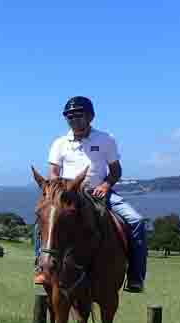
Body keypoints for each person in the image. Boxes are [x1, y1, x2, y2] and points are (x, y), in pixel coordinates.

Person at [34, 96, 146, 292]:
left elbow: (116, 170)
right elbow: (53, 172)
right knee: (41, 223)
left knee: (136, 221)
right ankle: (42, 268)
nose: (74, 120)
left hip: (99, 192)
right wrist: (57, 192)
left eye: (79, 115)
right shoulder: (59, 143)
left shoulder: (105, 139)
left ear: (90, 117)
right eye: (70, 116)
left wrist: (106, 185)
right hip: (68, 196)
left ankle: (135, 276)